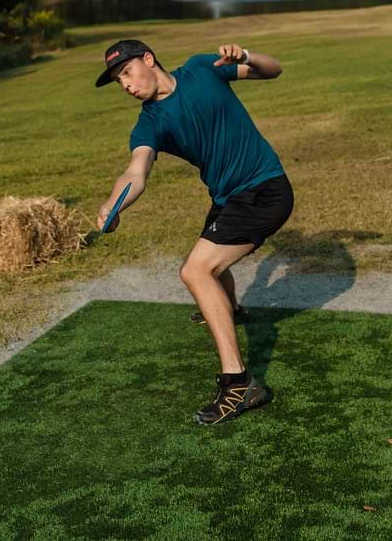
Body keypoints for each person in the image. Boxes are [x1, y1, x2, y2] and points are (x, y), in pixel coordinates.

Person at [93, 37, 293, 425]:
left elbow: (274, 69)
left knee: (196, 271)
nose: (127, 85)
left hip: (264, 189)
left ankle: (239, 384)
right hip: (229, 198)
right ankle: (231, 309)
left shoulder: (203, 69)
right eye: (119, 82)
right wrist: (112, 204)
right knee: (206, 263)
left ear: (148, 59)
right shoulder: (150, 123)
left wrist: (246, 55)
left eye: (127, 73)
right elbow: (136, 172)